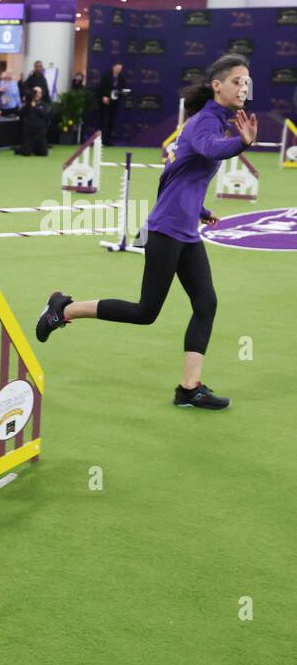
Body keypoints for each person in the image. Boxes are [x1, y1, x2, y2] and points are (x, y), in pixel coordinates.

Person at [35, 54, 258, 411]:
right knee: (145, 312)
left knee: (206, 303)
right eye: (236, 81)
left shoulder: (218, 123)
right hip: (166, 231)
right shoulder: (205, 124)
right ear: (217, 85)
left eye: (247, 81)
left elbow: (174, 177)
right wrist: (241, 144)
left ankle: (190, 388)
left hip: (184, 230)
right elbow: (207, 149)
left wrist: (199, 210)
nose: (243, 87)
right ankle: (63, 309)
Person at [97, 62, 129, 144]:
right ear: (113, 67)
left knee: (112, 121)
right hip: (105, 102)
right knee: (104, 121)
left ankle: (108, 140)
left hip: (115, 102)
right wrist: (103, 96)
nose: (119, 70)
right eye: (118, 68)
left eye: (120, 69)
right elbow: (100, 88)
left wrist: (123, 93)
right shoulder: (106, 76)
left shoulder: (122, 78)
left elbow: (124, 88)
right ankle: (101, 140)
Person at [17, 86, 50, 156]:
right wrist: (27, 104)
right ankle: (22, 148)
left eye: (39, 93)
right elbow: (21, 115)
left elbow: (45, 115)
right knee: (26, 153)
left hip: (40, 132)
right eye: (36, 93)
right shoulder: (27, 105)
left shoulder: (43, 105)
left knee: (43, 153)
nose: (37, 94)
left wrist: (35, 107)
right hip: (29, 132)